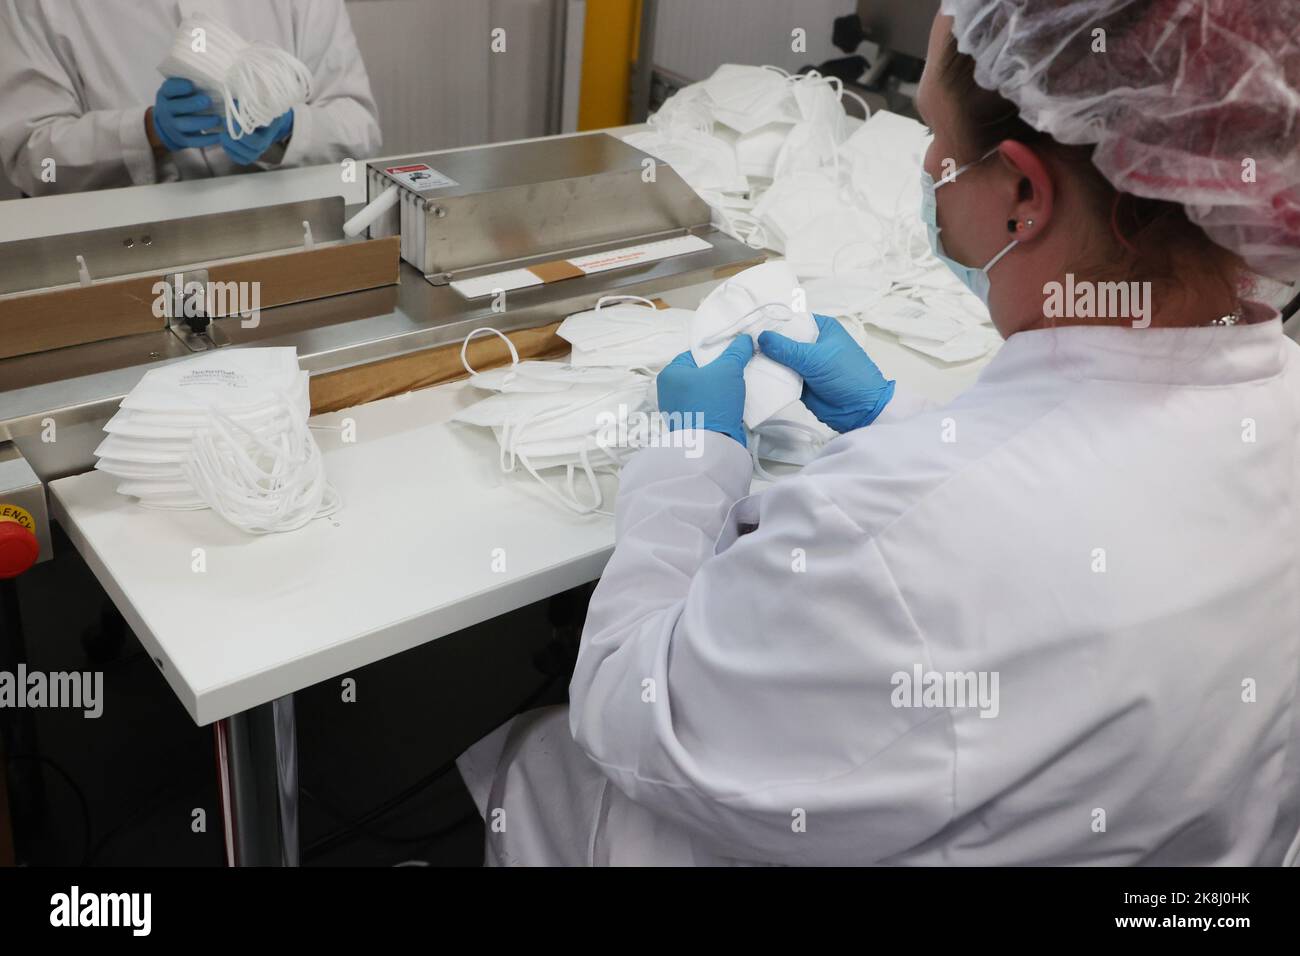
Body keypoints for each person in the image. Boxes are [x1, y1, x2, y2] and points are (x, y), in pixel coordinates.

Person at [458, 0, 1300, 865]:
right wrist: (902, 424)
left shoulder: (900, 536)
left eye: (937, 137)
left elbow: (634, 708)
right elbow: (1083, 496)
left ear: (1022, 192)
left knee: (543, 770)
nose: (929, 163)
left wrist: (688, 465)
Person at [0, 0, 381, 196]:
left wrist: (289, 130)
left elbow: (359, 128)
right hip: (124, 255)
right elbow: (32, 157)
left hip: (287, 241)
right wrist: (143, 131)